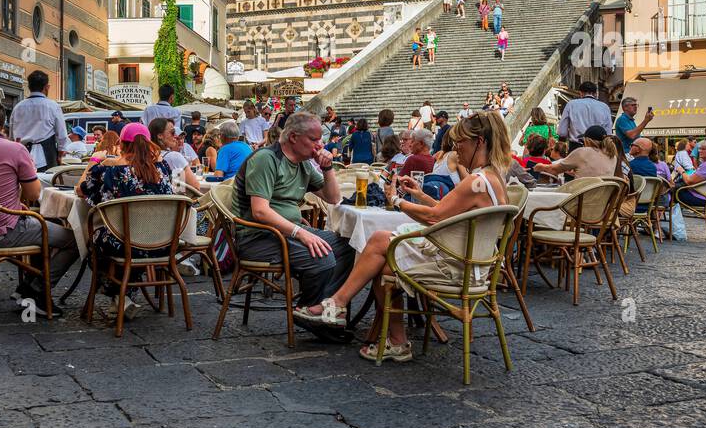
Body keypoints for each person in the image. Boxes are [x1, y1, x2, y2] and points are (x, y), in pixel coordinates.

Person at [293, 111, 511, 359]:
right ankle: (394, 341)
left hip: (453, 267)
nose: (456, 149)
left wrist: (396, 200)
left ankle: (339, 305)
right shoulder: (494, 179)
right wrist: (418, 195)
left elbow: (435, 217)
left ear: (479, 142)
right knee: (385, 264)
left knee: (379, 241)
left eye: (461, 142)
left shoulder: (476, 181)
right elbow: (448, 212)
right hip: (474, 265)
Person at [0, 98, 78, 314]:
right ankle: (37, 291)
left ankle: (25, 287)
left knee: (40, 227)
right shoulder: (15, 150)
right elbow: (34, 194)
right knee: (75, 239)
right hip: (6, 229)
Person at [232, 111, 354, 313]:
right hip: (258, 237)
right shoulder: (266, 159)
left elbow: (333, 198)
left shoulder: (304, 164)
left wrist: (328, 167)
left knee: (348, 246)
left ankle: (323, 308)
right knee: (323, 260)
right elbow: (260, 212)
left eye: (320, 140)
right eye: (314, 139)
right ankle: (307, 310)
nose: (320, 145)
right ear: (293, 137)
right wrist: (301, 234)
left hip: (287, 232)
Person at [78, 123, 178, 321]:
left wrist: (101, 162)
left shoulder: (112, 171)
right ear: (149, 143)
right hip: (163, 243)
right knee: (133, 240)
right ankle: (123, 298)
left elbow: (84, 191)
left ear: (121, 145)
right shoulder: (163, 168)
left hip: (125, 243)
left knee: (94, 245)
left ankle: (119, 295)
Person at [9, 70, 69, 169]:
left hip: (21, 156)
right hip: (46, 157)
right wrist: (60, 154)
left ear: (29, 87)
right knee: (46, 183)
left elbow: (12, 136)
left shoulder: (18, 107)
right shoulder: (52, 106)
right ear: (46, 87)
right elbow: (61, 134)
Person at [535, 126, 619, 180]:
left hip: (580, 203)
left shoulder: (582, 152)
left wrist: (540, 166)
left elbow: (554, 170)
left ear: (587, 140)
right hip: (602, 204)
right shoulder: (612, 156)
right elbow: (596, 176)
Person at [148, 117, 203, 187]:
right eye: (173, 132)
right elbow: (196, 186)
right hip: (173, 197)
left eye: (182, 137)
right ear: (160, 135)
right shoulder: (174, 156)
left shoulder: (145, 156)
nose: (176, 136)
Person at [558, 82, 613, 146]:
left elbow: (562, 132)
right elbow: (608, 133)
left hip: (576, 147)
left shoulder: (571, 104)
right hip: (597, 147)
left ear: (580, 93)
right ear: (595, 94)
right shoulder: (604, 107)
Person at [675, 139, 706, 208]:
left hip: (700, 198)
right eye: (700, 149)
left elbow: (689, 181)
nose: (700, 151)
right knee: (673, 188)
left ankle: (660, 213)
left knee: (670, 191)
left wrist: (682, 171)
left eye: (703, 149)